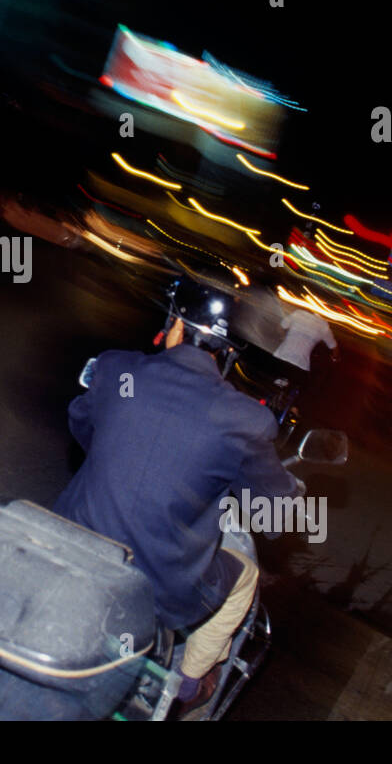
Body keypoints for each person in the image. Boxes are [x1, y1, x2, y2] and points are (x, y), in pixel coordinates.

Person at [52, 278, 303, 716]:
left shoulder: (116, 369)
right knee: (244, 576)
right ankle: (189, 681)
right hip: (160, 588)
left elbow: (83, 430)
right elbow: (276, 514)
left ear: (175, 327)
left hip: (71, 543)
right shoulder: (247, 420)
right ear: (228, 353)